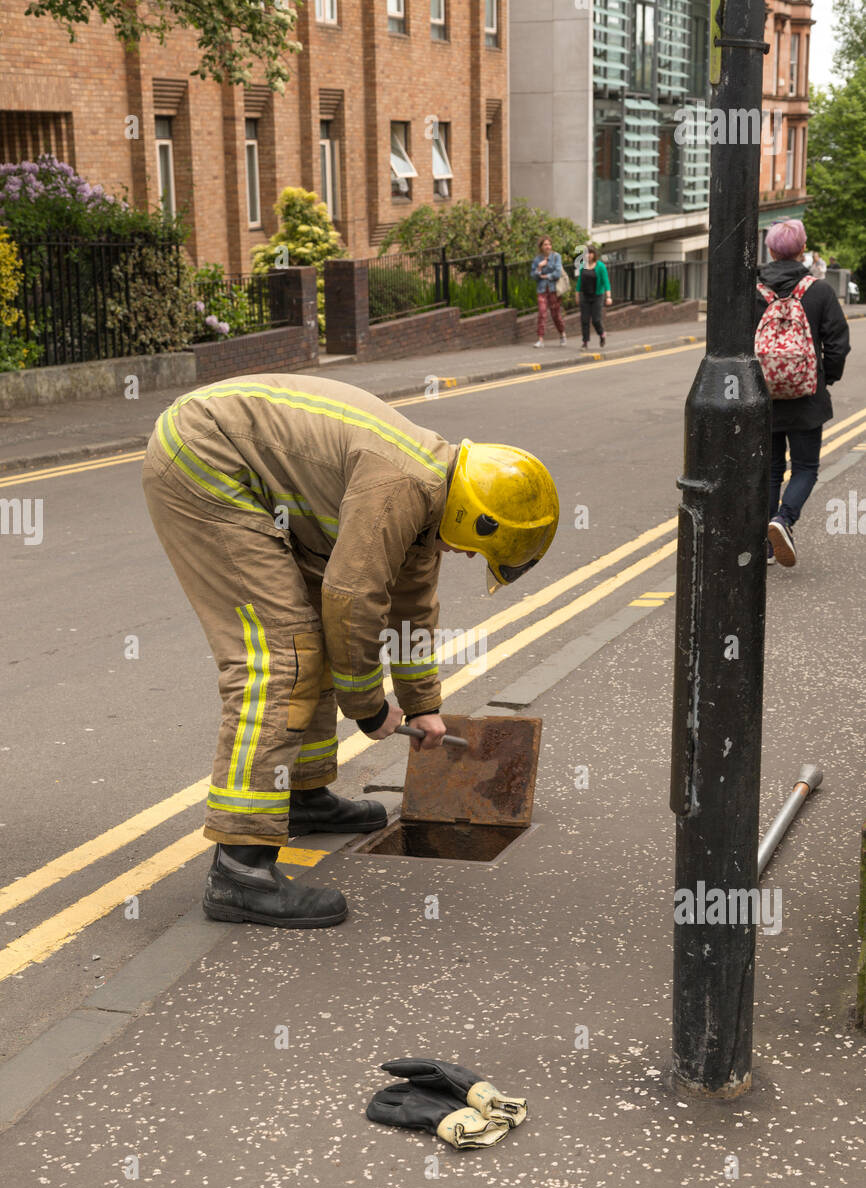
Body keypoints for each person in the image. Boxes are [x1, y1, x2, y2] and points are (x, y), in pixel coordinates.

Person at [143, 376, 560, 928]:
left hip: (238, 464)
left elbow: (409, 609)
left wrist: (422, 705)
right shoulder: (403, 487)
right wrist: (366, 705)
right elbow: (354, 598)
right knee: (282, 656)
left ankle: (302, 795)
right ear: (473, 515)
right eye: (475, 548)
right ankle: (239, 869)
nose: (464, 556)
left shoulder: (433, 497)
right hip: (205, 458)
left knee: (310, 631)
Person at [756, 220, 849, 567]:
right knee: (806, 467)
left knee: (769, 470)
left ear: (770, 249)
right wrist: (827, 379)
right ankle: (783, 520)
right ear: (801, 250)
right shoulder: (820, 291)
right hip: (806, 395)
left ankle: (764, 546)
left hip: (763, 395)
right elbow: (838, 343)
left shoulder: (754, 289)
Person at [530, 236, 567, 347]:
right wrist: (539, 268)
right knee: (542, 313)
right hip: (542, 289)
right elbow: (534, 276)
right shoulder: (537, 260)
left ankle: (562, 334)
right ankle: (540, 339)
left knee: (555, 314)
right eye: (545, 244)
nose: (548, 246)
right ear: (541, 246)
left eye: (549, 244)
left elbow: (557, 273)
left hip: (553, 290)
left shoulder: (556, 257)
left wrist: (545, 276)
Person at [575, 243, 612, 349]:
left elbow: (606, 282)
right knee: (584, 320)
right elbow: (579, 282)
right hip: (585, 296)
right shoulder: (582, 265)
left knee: (596, 320)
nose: (588, 255)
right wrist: (577, 295)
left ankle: (602, 334)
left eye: (590, 253)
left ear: (594, 254)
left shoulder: (600, 266)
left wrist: (608, 296)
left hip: (597, 296)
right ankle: (585, 342)